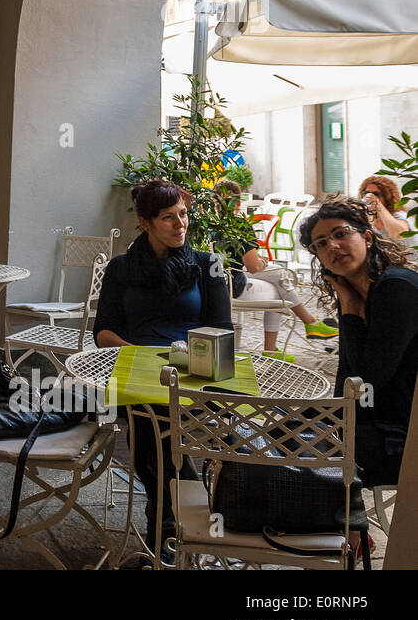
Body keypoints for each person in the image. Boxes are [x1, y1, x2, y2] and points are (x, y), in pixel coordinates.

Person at [93, 179, 233, 557]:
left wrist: (187, 356)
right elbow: (102, 332)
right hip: (137, 373)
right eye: (168, 217)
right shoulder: (121, 268)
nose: (180, 224)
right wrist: (141, 354)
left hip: (194, 375)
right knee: (156, 434)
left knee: (151, 446)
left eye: (183, 215)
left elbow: (222, 332)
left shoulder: (207, 265)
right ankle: (184, 523)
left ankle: (165, 533)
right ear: (145, 223)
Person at [299, 197, 418, 491]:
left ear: (366, 237)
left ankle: (348, 529)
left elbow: (367, 382)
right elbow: (347, 381)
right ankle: (346, 528)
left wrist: (350, 310)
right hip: (375, 420)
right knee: (287, 427)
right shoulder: (355, 292)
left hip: (403, 435)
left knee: (305, 450)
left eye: (341, 234)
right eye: (321, 243)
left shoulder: (396, 287)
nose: (332, 247)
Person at [214, 179, 336, 351]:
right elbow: (253, 267)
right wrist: (262, 261)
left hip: (219, 283)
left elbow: (237, 258)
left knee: (278, 275)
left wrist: (257, 258)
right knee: (279, 290)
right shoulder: (239, 226)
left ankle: (310, 324)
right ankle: (280, 344)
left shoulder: (211, 225)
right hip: (235, 286)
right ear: (239, 202)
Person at [359, 175, 416, 246]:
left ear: (387, 198)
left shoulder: (400, 215)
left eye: (376, 194)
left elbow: (399, 234)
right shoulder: (370, 221)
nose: (369, 197)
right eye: (366, 193)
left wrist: (377, 205)